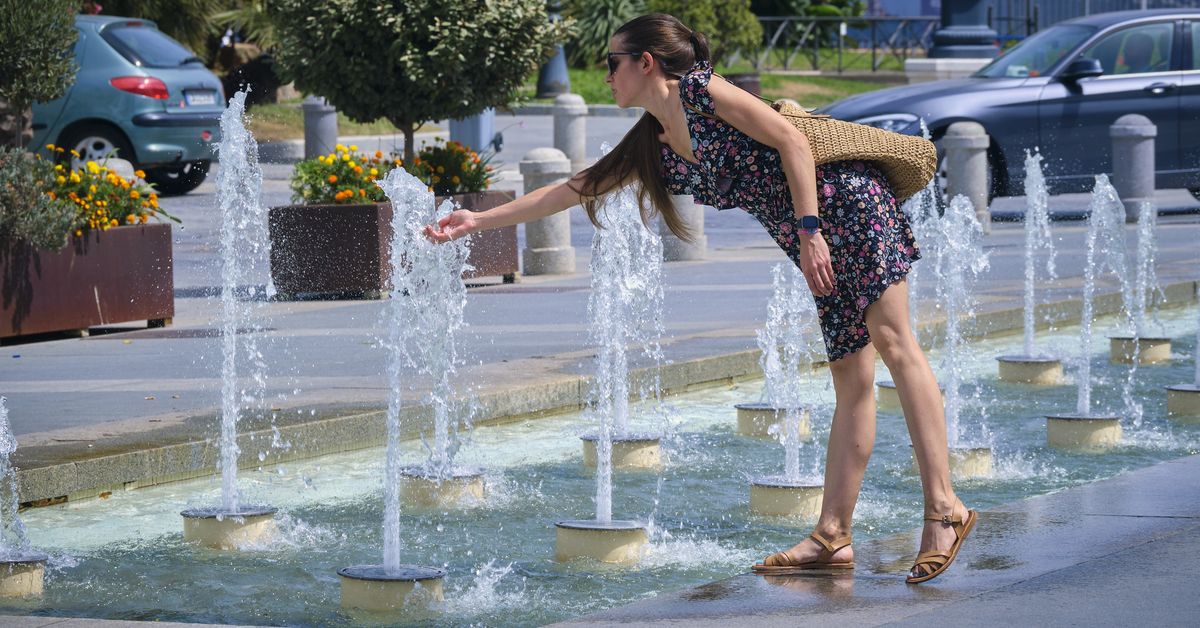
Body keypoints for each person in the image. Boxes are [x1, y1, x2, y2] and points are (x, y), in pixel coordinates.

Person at [424, 13, 976, 583]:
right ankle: (833, 535)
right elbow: (572, 189)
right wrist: (480, 220)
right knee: (851, 379)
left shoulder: (700, 89)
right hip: (811, 237)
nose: (605, 75)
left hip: (847, 209)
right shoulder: (651, 144)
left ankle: (944, 509)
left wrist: (811, 231)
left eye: (612, 63)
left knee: (894, 343)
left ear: (646, 63)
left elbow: (791, 139)